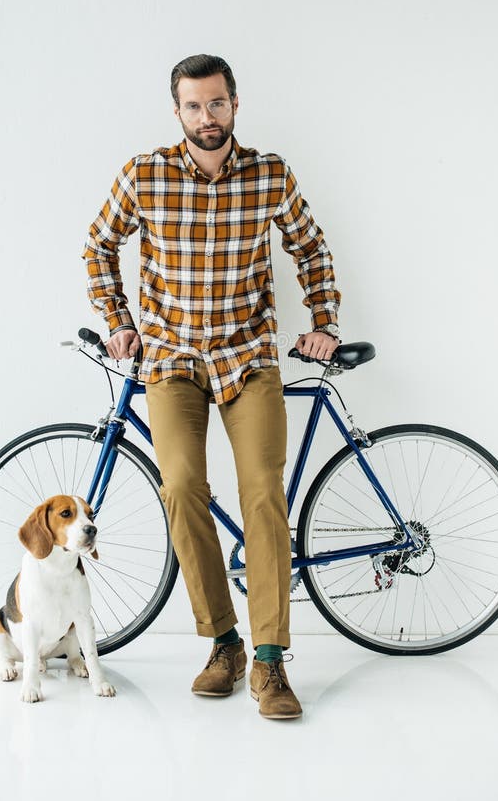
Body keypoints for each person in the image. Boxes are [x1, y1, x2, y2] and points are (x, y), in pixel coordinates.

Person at [83, 54, 341, 719]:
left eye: (217, 103)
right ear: (177, 111)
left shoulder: (268, 173)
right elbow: (99, 244)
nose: (207, 117)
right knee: (180, 485)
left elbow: (308, 248)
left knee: (262, 490)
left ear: (234, 104)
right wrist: (117, 323)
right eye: (194, 106)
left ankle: (268, 660)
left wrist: (324, 324)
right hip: (171, 361)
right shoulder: (145, 174)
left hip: (246, 356)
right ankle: (223, 640)